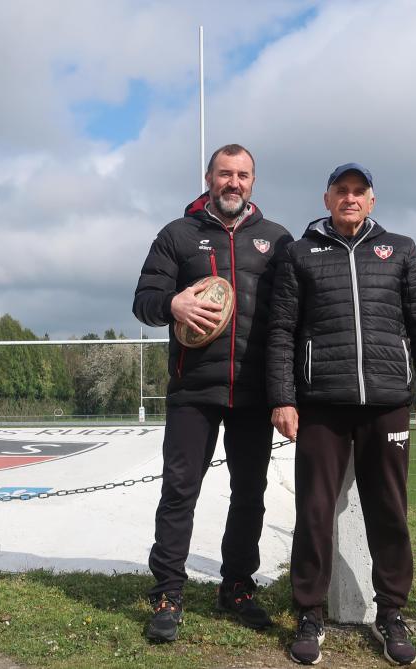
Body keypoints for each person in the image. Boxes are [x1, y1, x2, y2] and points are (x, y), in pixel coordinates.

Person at [266, 163, 416, 666]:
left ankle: (391, 613)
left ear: (372, 200)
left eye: (358, 192)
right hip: (321, 404)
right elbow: (281, 330)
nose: (350, 198)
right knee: (315, 511)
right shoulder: (300, 253)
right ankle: (309, 613)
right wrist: (284, 397)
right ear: (326, 199)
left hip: (387, 404)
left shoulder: (401, 249)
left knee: (389, 511)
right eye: (340, 191)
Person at [132, 143, 293, 642]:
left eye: (243, 175)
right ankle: (168, 592)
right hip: (192, 391)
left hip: (252, 393)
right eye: (225, 174)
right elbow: (144, 301)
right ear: (208, 177)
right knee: (180, 492)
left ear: (253, 182)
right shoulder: (177, 235)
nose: (233, 183)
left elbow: (290, 316)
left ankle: (237, 586)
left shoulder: (277, 239)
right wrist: (172, 303)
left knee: (250, 494)